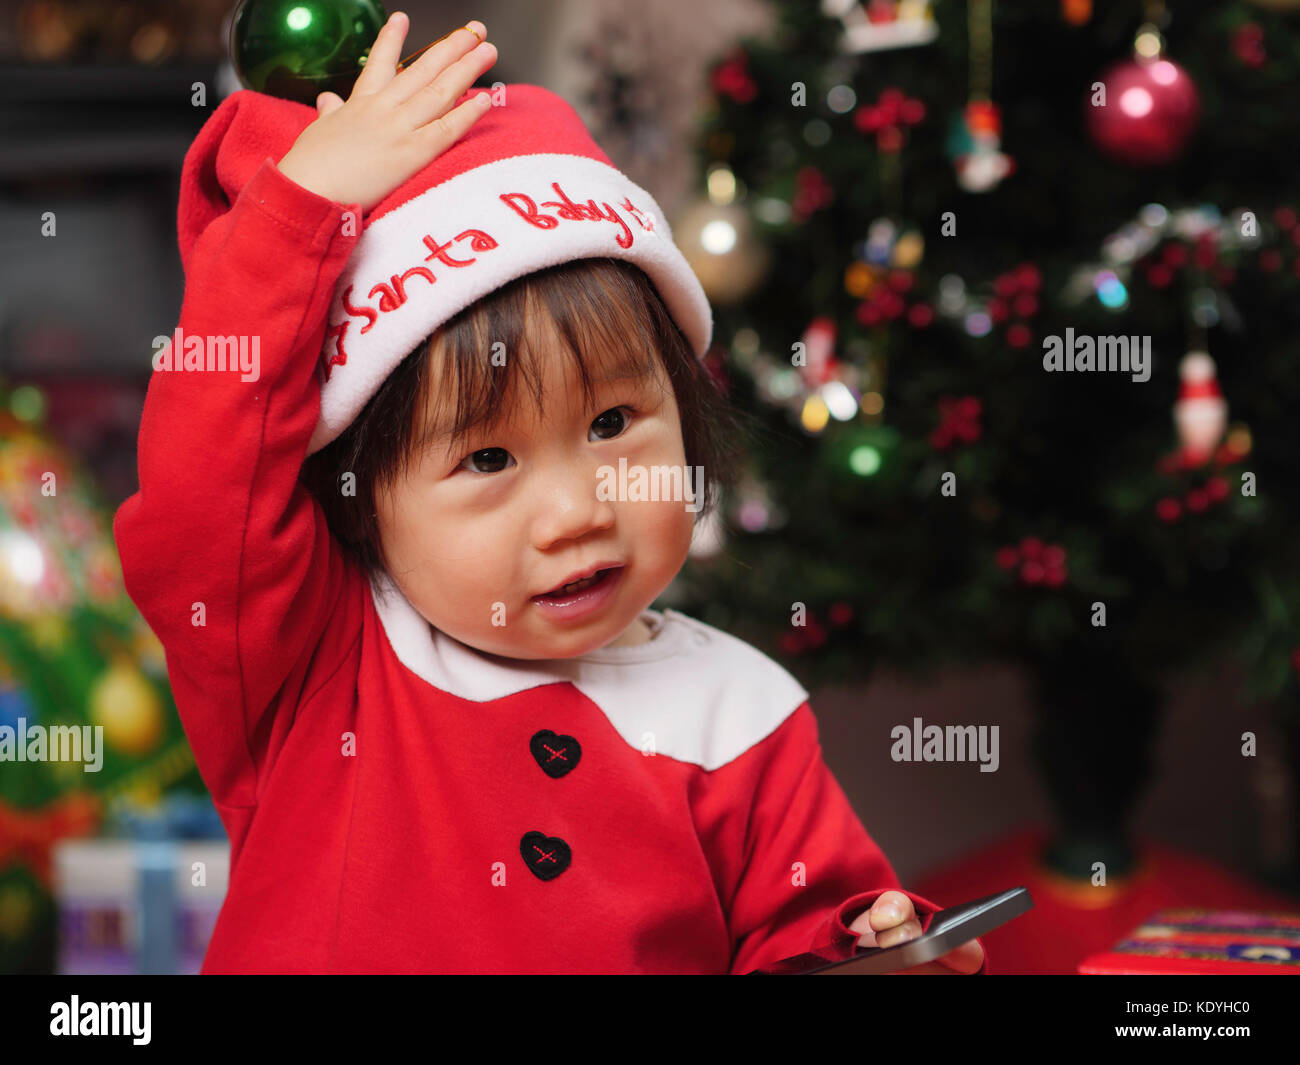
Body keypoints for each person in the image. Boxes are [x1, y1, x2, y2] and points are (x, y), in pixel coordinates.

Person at [114, 11, 986, 975]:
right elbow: (202, 495)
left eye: (613, 425)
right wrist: (297, 217)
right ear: (359, 495)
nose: (577, 513)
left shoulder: (740, 712)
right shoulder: (315, 656)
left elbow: (803, 927)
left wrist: (871, 948)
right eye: (487, 460)